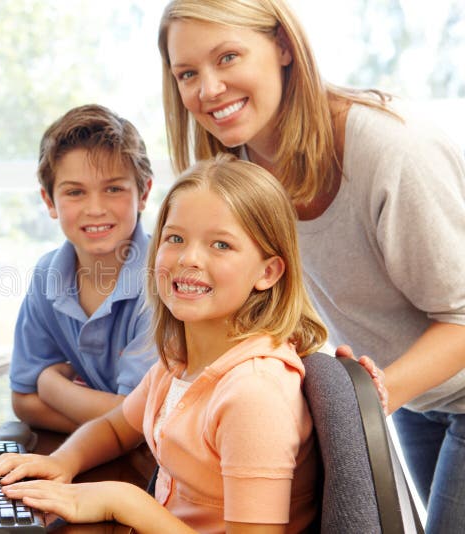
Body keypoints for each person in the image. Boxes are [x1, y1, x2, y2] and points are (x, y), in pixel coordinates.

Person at [157, 1, 465, 532]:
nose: (207, 90)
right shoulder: (243, 167)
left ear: (282, 45)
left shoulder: (391, 152)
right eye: (188, 73)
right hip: (420, 393)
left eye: (227, 57)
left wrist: (360, 406)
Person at [0, 154, 328, 533]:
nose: (189, 258)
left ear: (268, 271)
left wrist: (123, 501)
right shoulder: (178, 362)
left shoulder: (254, 394)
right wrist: (63, 462)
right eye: (175, 238)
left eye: (221, 245)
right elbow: (115, 428)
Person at [10, 104, 156, 433]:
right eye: (75, 192)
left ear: (143, 193)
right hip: (103, 457)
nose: (95, 209)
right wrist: (113, 424)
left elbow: (139, 420)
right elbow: (22, 401)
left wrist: (50, 385)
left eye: (114, 189)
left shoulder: (163, 280)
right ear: (49, 202)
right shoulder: (48, 274)